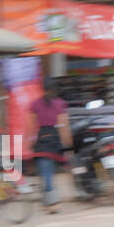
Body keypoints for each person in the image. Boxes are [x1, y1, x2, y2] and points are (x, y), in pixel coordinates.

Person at [25, 78, 73, 213]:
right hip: (55, 139)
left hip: (41, 139)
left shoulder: (34, 104)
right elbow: (64, 127)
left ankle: (53, 203)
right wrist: (68, 146)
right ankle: (49, 202)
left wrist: (29, 144)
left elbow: (31, 127)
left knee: (45, 173)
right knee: (49, 173)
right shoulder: (60, 104)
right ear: (55, 90)